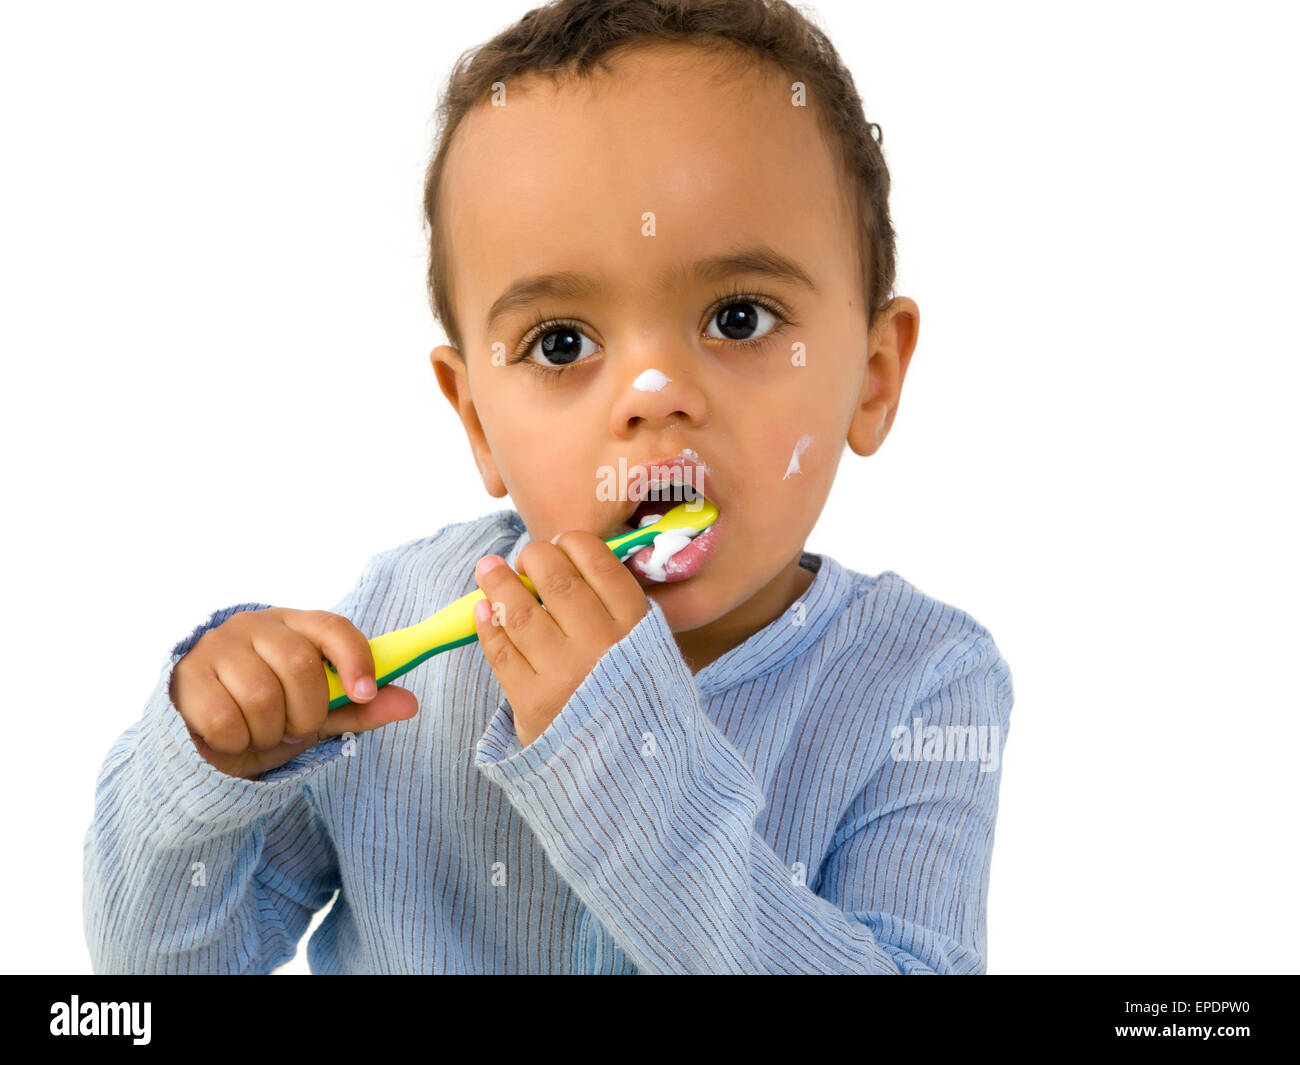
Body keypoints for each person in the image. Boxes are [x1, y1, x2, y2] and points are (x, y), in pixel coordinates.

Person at [84, 0, 1014, 974]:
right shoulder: (399, 624)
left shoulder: (923, 684)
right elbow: (153, 975)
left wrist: (619, 759)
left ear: (872, 377)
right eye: (560, 344)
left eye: (738, 318)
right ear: (477, 420)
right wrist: (206, 767)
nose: (656, 398)